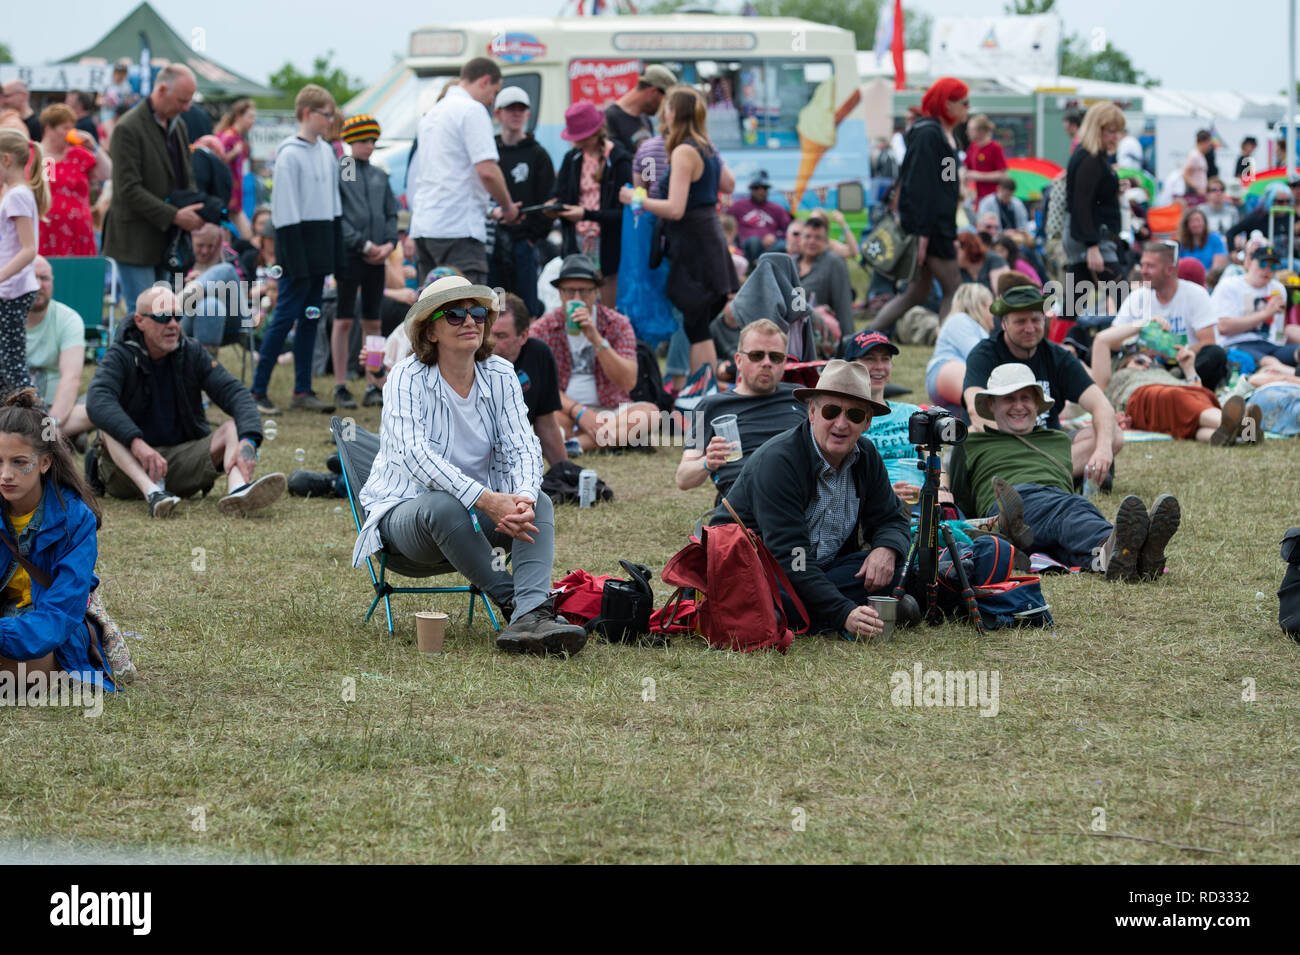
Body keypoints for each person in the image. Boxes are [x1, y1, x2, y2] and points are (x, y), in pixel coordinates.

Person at [350, 275, 588, 657]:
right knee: (444, 504)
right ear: (430, 331)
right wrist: (486, 499)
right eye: (454, 315)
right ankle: (517, 604)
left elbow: (524, 446)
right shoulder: (405, 378)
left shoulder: (500, 373)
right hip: (408, 527)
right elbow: (415, 456)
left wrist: (523, 497)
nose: (470, 321)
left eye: (477, 313)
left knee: (540, 502)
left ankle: (531, 616)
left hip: (476, 522)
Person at [708, 360, 908, 640]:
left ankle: (819, 610)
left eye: (854, 414)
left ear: (867, 422)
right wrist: (844, 613)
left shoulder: (866, 455)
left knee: (897, 567)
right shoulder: (780, 461)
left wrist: (886, 549)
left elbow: (891, 519)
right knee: (773, 598)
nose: (841, 424)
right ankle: (847, 610)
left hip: (819, 569)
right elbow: (792, 557)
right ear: (812, 412)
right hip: (759, 571)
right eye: (831, 411)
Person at [949, 363, 1181, 582]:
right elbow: (961, 499)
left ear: (1037, 402)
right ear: (991, 404)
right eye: (1009, 398)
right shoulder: (971, 443)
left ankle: (1125, 559)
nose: (1019, 406)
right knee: (1069, 510)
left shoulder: (1057, 439)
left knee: (1066, 539)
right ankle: (1122, 544)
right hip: (1010, 506)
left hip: (1052, 508)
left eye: (1025, 398)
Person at [85, 287, 284, 518]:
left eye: (178, 316)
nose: (173, 324)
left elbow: (235, 393)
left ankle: (238, 491)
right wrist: (136, 443)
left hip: (179, 463)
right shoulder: (120, 354)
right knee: (107, 428)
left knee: (233, 428)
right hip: (128, 471)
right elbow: (98, 400)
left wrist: (249, 441)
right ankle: (154, 494)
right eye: (162, 317)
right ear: (139, 321)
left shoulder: (191, 351)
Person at [0, 389, 116, 690]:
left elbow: (61, 613)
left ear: (45, 463)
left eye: (19, 462)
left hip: (49, 631)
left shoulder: (76, 520)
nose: (5, 474)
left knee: (24, 670)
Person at [618, 87, 738, 373]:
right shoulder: (706, 146)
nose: (665, 113)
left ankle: (702, 389)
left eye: (668, 108)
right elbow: (729, 184)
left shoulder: (684, 150)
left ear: (674, 113)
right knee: (698, 324)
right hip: (708, 239)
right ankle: (702, 387)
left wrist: (635, 199)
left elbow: (675, 209)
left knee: (697, 326)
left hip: (694, 244)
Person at [963, 281, 1123, 484]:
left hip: (1048, 444)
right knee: (968, 438)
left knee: (1113, 435)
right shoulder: (984, 354)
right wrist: (1016, 448)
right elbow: (975, 411)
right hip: (1000, 446)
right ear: (1004, 323)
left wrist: (1102, 450)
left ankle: (1033, 476)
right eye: (1020, 321)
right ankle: (1050, 475)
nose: (1030, 328)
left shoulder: (1058, 357)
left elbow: (1101, 405)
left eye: (1036, 320)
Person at [249, 84, 344, 416]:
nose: (330, 120)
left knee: (310, 318)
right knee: (285, 316)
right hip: (296, 245)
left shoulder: (327, 151)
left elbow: (333, 203)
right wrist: (296, 259)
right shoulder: (289, 154)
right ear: (307, 113)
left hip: (320, 243)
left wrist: (335, 251)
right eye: (326, 114)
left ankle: (302, 388)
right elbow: (285, 211)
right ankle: (258, 389)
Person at [529, 254, 658, 452]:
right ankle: (616, 438)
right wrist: (579, 412)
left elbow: (628, 382)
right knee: (542, 419)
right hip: (566, 411)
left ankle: (576, 445)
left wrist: (596, 339)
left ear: (596, 291)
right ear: (560, 293)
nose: (577, 298)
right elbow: (541, 387)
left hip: (611, 410)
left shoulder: (617, 324)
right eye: (570, 291)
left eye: (584, 291)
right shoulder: (542, 328)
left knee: (651, 415)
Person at [101, 63, 204, 311]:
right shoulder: (128, 128)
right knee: (145, 315)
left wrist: (196, 208)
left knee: (162, 313)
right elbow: (128, 189)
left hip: (165, 239)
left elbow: (185, 176)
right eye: (182, 100)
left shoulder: (177, 125)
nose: (187, 107)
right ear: (161, 90)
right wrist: (176, 215)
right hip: (135, 241)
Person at [868, 78, 969, 332]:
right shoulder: (928, 134)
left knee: (916, 293)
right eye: (964, 102)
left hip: (939, 225)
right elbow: (920, 187)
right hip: (931, 227)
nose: (968, 108)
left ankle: (861, 338)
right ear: (948, 104)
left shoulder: (946, 135)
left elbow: (945, 183)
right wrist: (922, 235)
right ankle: (948, 347)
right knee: (953, 288)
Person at [410, 59, 520, 286]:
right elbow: (487, 171)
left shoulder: (432, 114)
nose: (492, 100)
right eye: (494, 92)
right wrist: (508, 207)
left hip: (425, 226)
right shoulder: (472, 110)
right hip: (457, 229)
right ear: (485, 81)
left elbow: (445, 176)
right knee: (465, 303)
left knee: (430, 304)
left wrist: (487, 208)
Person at [676, 319, 803, 503]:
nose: (766, 363)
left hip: (796, 492)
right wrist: (707, 462)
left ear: (784, 362)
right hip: (745, 498)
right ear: (738, 361)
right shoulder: (711, 406)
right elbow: (683, 478)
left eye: (775, 357)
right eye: (757, 355)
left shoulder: (799, 397)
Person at [1090, 317, 1261, 445]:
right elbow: (1101, 340)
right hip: (1144, 397)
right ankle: (1244, 426)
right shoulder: (1111, 382)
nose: (1148, 366)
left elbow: (1197, 393)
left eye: (1153, 364)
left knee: (1196, 406)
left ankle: (1235, 435)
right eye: (1140, 361)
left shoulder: (1169, 374)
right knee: (1175, 397)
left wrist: (1188, 368)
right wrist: (1145, 323)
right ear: (1123, 365)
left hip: (1173, 398)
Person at [333, 114, 398, 411]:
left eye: (373, 140)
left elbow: (390, 214)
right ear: (350, 141)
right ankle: (340, 383)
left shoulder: (379, 175)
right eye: (363, 140)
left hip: (378, 256)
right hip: (350, 255)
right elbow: (339, 216)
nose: (369, 146)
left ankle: (373, 382)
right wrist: (363, 244)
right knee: (344, 318)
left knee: (373, 321)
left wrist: (389, 244)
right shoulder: (343, 171)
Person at [552, 102, 632, 309]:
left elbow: (624, 213)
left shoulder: (619, 159)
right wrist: (553, 207)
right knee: (576, 297)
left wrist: (585, 214)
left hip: (608, 242)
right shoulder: (572, 158)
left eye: (584, 137)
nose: (580, 142)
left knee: (606, 304)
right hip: (576, 241)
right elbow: (558, 193)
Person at [490, 87, 554, 319]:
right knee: (495, 305)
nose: (516, 113)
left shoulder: (538, 154)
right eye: (510, 109)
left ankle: (527, 340)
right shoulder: (489, 152)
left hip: (524, 245)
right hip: (493, 243)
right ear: (498, 113)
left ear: (528, 114)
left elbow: (549, 201)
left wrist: (532, 238)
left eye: (521, 109)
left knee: (526, 310)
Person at [1063, 102, 1125, 319]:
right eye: (1111, 131)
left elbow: (1088, 197)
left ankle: (1060, 336)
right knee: (1124, 299)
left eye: (1118, 131)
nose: (1116, 137)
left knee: (1074, 304)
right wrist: (1091, 245)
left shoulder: (1092, 155)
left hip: (1087, 235)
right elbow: (1081, 204)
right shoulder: (1090, 158)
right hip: (1091, 237)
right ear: (1096, 129)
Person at [0, 129, 47, 399]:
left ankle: (31, 415)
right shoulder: (13, 192)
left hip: (13, 290)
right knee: (5, 364)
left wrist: (1, 275)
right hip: (10, 289)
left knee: (14, 367)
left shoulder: (17, 195)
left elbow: (29, 249)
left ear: (6, 159)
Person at [25, 257, 91, 440]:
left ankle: (47, 436)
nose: (39, 285)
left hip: (57, 409)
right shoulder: (6, 317)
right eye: (32, 277)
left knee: (99, 406)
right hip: (11, 410)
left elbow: (71, 377)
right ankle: (64, 437)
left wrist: (51, 424)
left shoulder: (68, 319)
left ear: (52, 282)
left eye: (44, 278)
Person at [1112, 240, 1216, 352]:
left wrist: (1170, 353)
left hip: (1187, 360)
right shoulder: (1137, 296)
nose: (1143, 271)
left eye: (1150, 266)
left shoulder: (1196, 294)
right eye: (1142, 265)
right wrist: (1137, 344)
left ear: (1170, 270)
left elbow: (1208, 343)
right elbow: (1112, 340)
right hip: (1143, 360)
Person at [36, 104, 111, 257]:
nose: (70, 132)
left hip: (78, 229)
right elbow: (48, 185)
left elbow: (108, 173)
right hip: (47, 230)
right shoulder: (39, 155)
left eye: (72, 128)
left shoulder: (78, 155)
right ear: (49, 129)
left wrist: (95, 146)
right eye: (65, 128)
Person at [1210, 244, 1300, 370]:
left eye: (1273, 266)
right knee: (1270, 362)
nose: (1267, 270)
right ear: (1248, 262)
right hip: (1236, 344)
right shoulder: (1229, 285)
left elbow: (1278, 331)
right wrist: (1266, 314)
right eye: (1263, 264)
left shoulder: (1278, 288)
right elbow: (1223, 327)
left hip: (1270, 344)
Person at [926, 282, 994, 412]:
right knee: (986, 402)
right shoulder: (960, 319)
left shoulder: (976, 328)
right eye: (991, 307)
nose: (994, 314)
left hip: (952, 379)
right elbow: (979, 356)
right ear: (979, 306)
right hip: (946, 370)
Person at [791, 213, 854, 341]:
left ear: (826, 242)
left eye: (818, 238)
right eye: (808, 236)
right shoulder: (790, 263)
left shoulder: (834, 263)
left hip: (819, 334)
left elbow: (843, 306)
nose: (812, 241)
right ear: (801, 239)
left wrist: (847, 341)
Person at [604, 65, 674, 157]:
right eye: (665, 99)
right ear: (653, 92)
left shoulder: (645, 119)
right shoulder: (609, 118)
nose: (664, 106)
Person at [214, 99, 257, 238]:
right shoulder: (228, 136)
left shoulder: (237, 137)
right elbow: (217, 161)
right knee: (225, 224)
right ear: (239, 116)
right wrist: (234, 153)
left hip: (234, 191)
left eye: (254, 117)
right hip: (226, 191)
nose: (253, 121)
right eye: (250, 117)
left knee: (230, 223)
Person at [729, 171, 791, 262]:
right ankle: (754, 266)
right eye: (756, 187)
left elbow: (789, 229)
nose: (761, 191)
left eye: (764, 188)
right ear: (751, 189)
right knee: (754, 241)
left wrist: (775, 236)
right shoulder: (738, 206)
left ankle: (761, 262)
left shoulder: (777, 209)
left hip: (770, 248)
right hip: (745, 248)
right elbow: (726, 225)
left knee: (783, 246)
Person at [962, 114, 1007, 206]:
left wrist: (979, 176)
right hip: (977, 200)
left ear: (981, 131)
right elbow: (965, 170)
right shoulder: (972, 147)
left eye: (971, 129)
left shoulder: (995, 148)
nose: (967, 132)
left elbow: (1003, 175)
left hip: (993, 200)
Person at [1179, 206, 1228, 272]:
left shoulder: (1215, 239)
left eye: (1198, 220)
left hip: (1211, 277)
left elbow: (1217, 268)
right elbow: (1179, 267)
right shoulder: (1182, 244)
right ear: (1186, 225)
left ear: (1204, 223)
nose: (1196, 224)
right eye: (1192, 221)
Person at [1183, 130, 1213, 202]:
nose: (1210, 146)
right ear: (1203, 142)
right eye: (1209, 143)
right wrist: (1196, 189)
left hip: (1201, 194)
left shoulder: (1201, 155)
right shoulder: (1194, 155)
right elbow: (1185, 175)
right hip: (1195, 195)